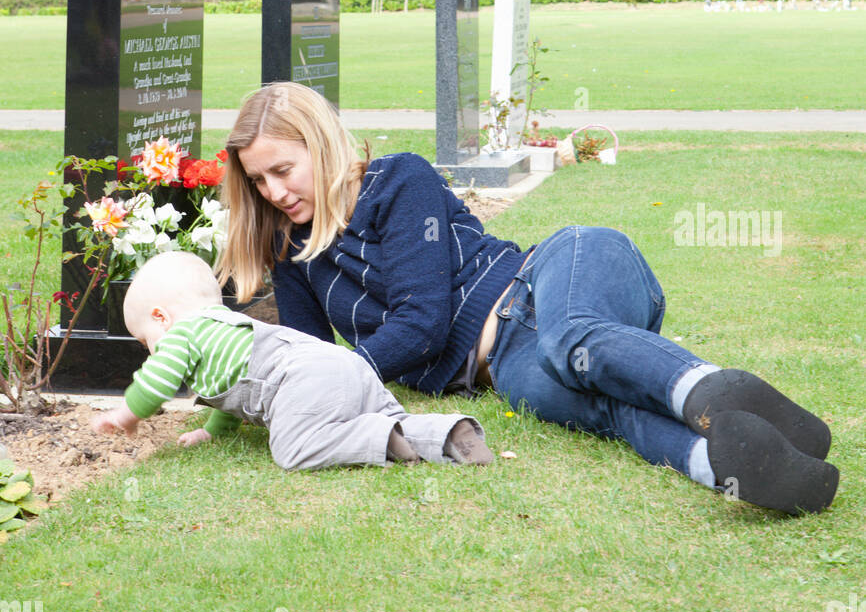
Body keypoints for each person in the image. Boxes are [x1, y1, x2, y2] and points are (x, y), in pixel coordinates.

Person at [217, 83, 839, 516]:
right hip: (504, 365)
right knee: (600, 410)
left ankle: (711, 387)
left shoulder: (396, 180)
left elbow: (423, 322)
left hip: (552, 274)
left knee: (574, 340)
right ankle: (737, 466)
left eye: (283, 169)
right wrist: (234, 413)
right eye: (259, 180)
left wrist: (340, 373)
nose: (273, 191)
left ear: (320, 144)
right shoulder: (291, 251)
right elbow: (301, 356)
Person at [91, 250, 494, 470]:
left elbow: (156, 381)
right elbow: (233, 395)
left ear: (162, 317)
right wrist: (212, 432)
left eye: (146, 341)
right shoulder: (225, 327)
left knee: (293, 448)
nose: (151, 351)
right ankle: (446, 432)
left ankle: (375, 438)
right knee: (392, 417)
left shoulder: (182, 333)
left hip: (303, 379)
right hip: (344, 365)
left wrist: (128, 413)